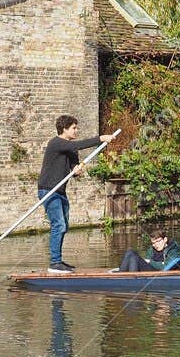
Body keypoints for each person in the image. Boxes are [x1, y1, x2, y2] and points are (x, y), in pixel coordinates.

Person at [39, 116, 118, 271]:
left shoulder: (70, 149)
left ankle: (58, 261)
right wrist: (101, 138)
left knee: (64, 226)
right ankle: (54, 263)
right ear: (64, 129)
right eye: (74, 128)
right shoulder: (56, 143)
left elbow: (74, 167)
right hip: (49, 190)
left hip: (60, 191)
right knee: (59, 224)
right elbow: (81, 145)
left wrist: (77, 170)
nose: (77, 130)